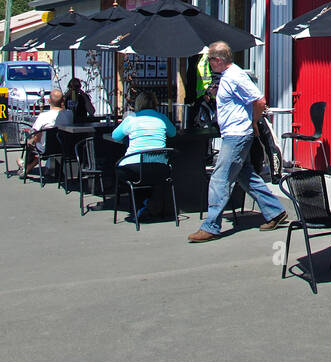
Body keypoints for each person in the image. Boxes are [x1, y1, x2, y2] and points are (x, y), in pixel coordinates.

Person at [188, 42, 287, 242]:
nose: (209, 65)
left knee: (219, 178)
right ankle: (275, 211)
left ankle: (211, 226)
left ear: (218, 60)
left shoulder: (235, 76)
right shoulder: (227, 77)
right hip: (234, 134)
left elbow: (259, 100)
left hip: (237, 135)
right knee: (245, 175)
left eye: (210, 61)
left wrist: (253, 122)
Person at [112, 91, 176, 220]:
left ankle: (141, 205)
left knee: (125, 173)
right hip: (160, 167)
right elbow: (173, 133)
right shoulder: (162, 118)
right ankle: (150, 203)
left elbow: (115, 136)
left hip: (134, 167)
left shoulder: (132, 119)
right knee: (152, 178)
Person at [21, 88, 73, 176]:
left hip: (46, 148)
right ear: (63, 100)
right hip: (63, 147)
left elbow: (37, 137)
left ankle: (24, 167)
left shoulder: (43, 116)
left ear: (49, 101)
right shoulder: (70, 114)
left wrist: (31, 141)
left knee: (31, 143)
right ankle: (26, 168)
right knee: (36, 142)